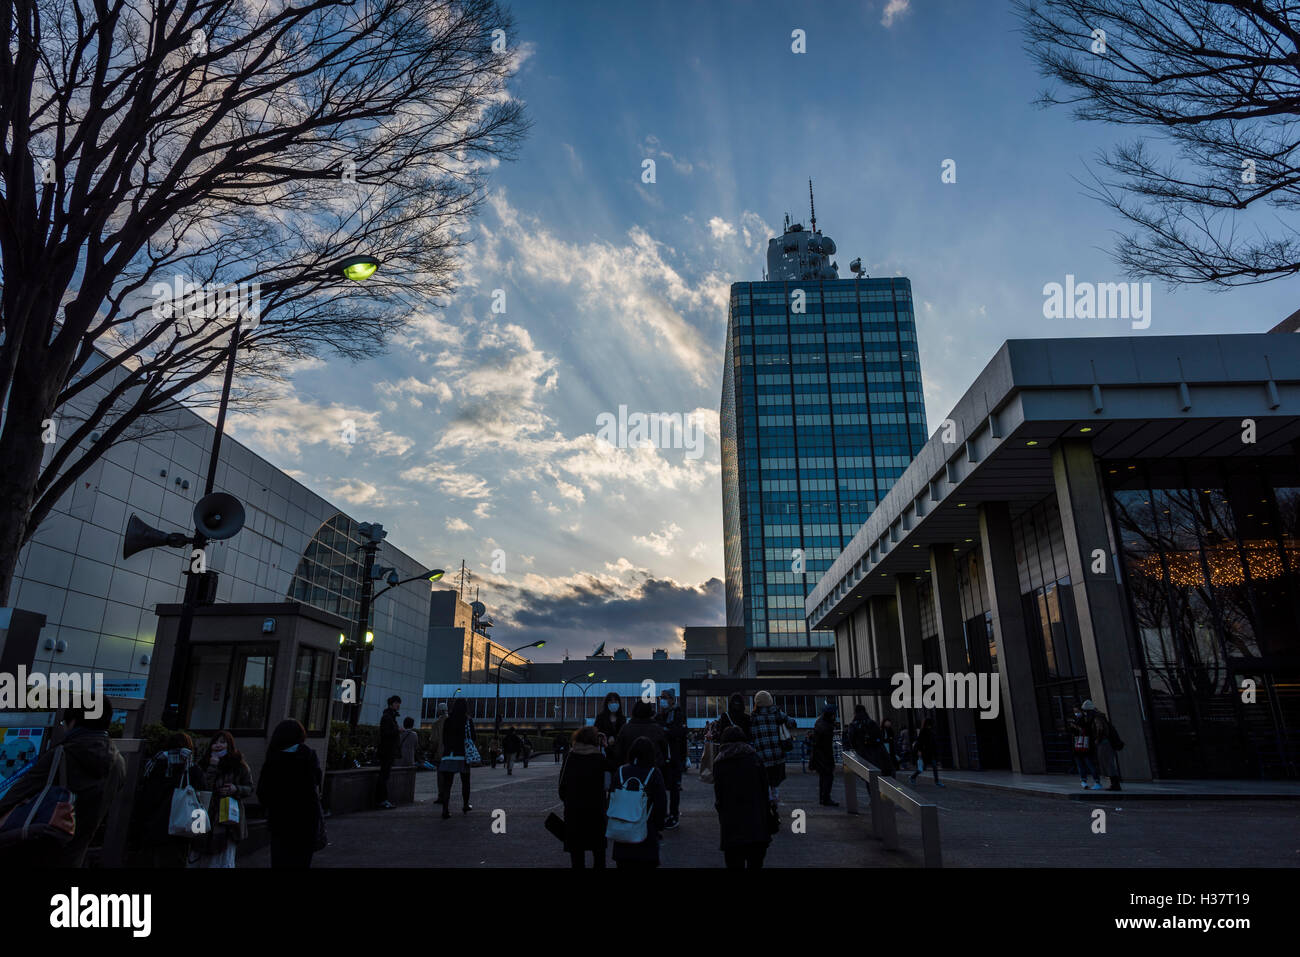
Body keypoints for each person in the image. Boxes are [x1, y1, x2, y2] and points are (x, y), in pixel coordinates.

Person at [0, 702, 125, 868]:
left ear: (73, 721)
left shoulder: (61, 756)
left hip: (37, 851)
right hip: (76, 854)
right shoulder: (118, 763)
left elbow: (16, 794)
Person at [257, 719, 324, 868]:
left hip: (280, 821)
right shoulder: (308, 755)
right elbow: (317, 780)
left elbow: (262, 792)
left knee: (280, 860)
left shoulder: (273, 757)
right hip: (306, 821)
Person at [133, 731, 205, 867]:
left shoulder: (154, 764)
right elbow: (201, 799)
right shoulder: (192, 769)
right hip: (181, 828)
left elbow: (144, 795)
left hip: (152, 825)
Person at [712, 726, 773, 869]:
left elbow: (719, 794)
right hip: (756, 820)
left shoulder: (720, 762)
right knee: (756, 862)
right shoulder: (755, 758)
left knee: (734, 862)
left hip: (731, 822)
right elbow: (765, 788)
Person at [194, 731, 253, 868]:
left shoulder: (239, 765)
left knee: (222, 858)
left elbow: (249, 788)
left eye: (222, 742)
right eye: (215, 742)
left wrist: (235, 789)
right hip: (203, 814)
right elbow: (202, 786)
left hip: (227, 817)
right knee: (198, 853)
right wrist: (212, 767)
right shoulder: (203, 764)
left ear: (229, 745)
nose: (218, 745)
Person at [610, 736, 667, 869]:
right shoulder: (654, 772)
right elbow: (661, 802)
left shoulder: (621, 771)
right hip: (646, 830)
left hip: (623, 829)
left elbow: (612, 799)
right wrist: (658, 825)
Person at [558, 726, 608, 868]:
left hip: (574, 810)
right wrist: (607, 746)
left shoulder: (570, 756)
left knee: (577, 854)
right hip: (596, 810)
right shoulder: (599, 757)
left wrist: (568, 800)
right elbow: (615, 766)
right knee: (598, 852)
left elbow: (562, 784)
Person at [749, 690, 798, 805]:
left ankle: (767, 803)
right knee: (775, 783)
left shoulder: (753, 717)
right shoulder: (777, 713)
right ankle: (775, 802)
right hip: (777, 756)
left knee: (764, 782)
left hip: (762, 757)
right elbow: (793, 723)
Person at [655, 688, 688, 828]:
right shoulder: (659, 716)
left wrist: (665, 731)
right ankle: (662, 814)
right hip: (661, 757)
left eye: (665, 697)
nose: (662, 700)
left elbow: (679, 732)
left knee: (674, 788)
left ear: (672, 699)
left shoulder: (678, 713)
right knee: (660, 788)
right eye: (661, 697)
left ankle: (674, 815)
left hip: (673, 757)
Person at [438, 698, 475, 818]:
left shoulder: (448, 720)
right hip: (462, 754)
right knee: (465, 782)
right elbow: (472, 737)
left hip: (448, 754)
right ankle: (465, 805)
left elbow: (444, 737)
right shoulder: (467, 720)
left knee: (447, 784)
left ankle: (445, 809)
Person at [615, 700, 668, 772]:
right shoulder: (657, 729)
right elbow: (664, 750)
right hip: (652, 769)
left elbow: (619, 751)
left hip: (629, 769)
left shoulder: (625, 728)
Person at [1084, 700, 1124, 791]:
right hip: (1104, 742)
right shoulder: (1098, 716)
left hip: (1104, 743)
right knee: (1106, 763)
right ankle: (1114, 783)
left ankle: (1115, 784)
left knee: (1107, 763)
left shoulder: (1096, 717)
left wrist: (1097, 739)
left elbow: (1101, 729)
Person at [810, 704, 838, 807]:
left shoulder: (819, 723)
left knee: (823, 777)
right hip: (824, 755)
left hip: (819, 755)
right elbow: (827, 746)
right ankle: (826, 797)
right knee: (828, 777)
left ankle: (823, 797)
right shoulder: (827, 727)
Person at [1069, 704, 1103, 790]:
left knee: (1089, 763)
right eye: (1075, 712)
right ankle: (1084, 781)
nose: (1076, 713)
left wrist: (1075, 727)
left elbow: (1085, 731)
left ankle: (1096, 781)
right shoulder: (1077, 720)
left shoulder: (1086, 720)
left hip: (1085, 745)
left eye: (1077, 711)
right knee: (1081, 765)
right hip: (1078, 745)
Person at [376, 695, 401, 808]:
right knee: (384, 776)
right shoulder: (387, 717)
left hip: (388, 750)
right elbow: (385, 733)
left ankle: (382, 799)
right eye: (396, 703)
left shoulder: (390, 717)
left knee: (385, 775)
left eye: (398, 703)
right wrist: (397, 730)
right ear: (391, 704)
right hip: (387, 751)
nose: (398, 705)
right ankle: (382, 800)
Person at [908, 717, 944, 787]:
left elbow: (933, 743)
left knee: (934, 766)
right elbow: (919, 742)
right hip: (924, 752)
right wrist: (919, 751)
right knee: (922, 768)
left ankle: (937, 781)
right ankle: (913, 777)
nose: (929, 726)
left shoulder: (932, 731)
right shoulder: (923, 731)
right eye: (928, 724)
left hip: (931, 752)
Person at [593, 691, 627, 766]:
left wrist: (615, 738)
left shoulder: (622, 718)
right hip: (603, 751)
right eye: (611, 701)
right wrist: (606, 738)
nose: (613, 703)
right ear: (607, 704)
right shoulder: (600, 717)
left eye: (615, 701)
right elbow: (595, 732)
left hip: (618, 752)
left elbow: (624, 734)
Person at [425, 703, 448, 771]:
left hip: (440, 753)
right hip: (451, 753)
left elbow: (434, 740)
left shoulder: (436, 723)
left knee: (441, 775)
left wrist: (431, 751)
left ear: (440, 711)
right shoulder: (452, 721)